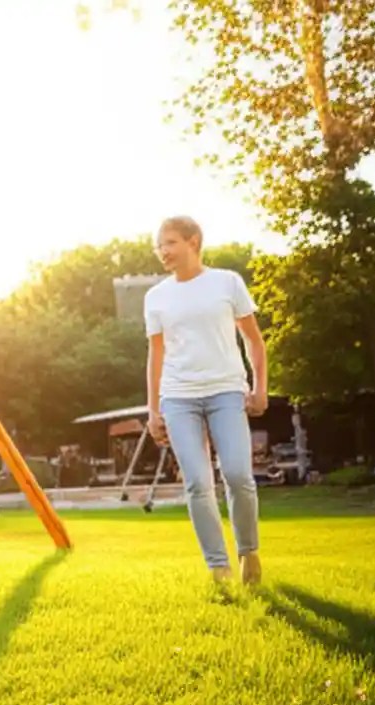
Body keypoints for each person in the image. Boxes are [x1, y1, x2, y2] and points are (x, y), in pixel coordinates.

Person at [144, 216, 268, 585]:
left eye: (169, 243)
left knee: (237, 474)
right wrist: (153, 409)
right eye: (159, 245)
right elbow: (155, 355)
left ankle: (248, 551)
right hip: (178, 398)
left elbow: (253, 340)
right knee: (197, 482)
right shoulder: (156, 297)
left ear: (193, 241)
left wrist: (259, 387)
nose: (162, 251)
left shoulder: (227, 282)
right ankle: (219, 567)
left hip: (226, 391)